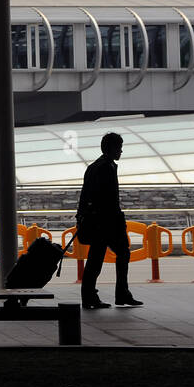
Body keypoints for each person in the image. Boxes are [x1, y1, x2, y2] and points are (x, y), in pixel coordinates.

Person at [77, 132, 143, 310]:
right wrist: (118, 220)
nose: (121, 151)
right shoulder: (105, 168)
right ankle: (120, 294)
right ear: (111, 148)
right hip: (107, 223)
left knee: (96, 259)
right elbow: (107, 199)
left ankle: (91, 295)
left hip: (99, 222)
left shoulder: (95, 166)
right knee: (120, 254)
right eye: (119, 147)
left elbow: (87, 197)